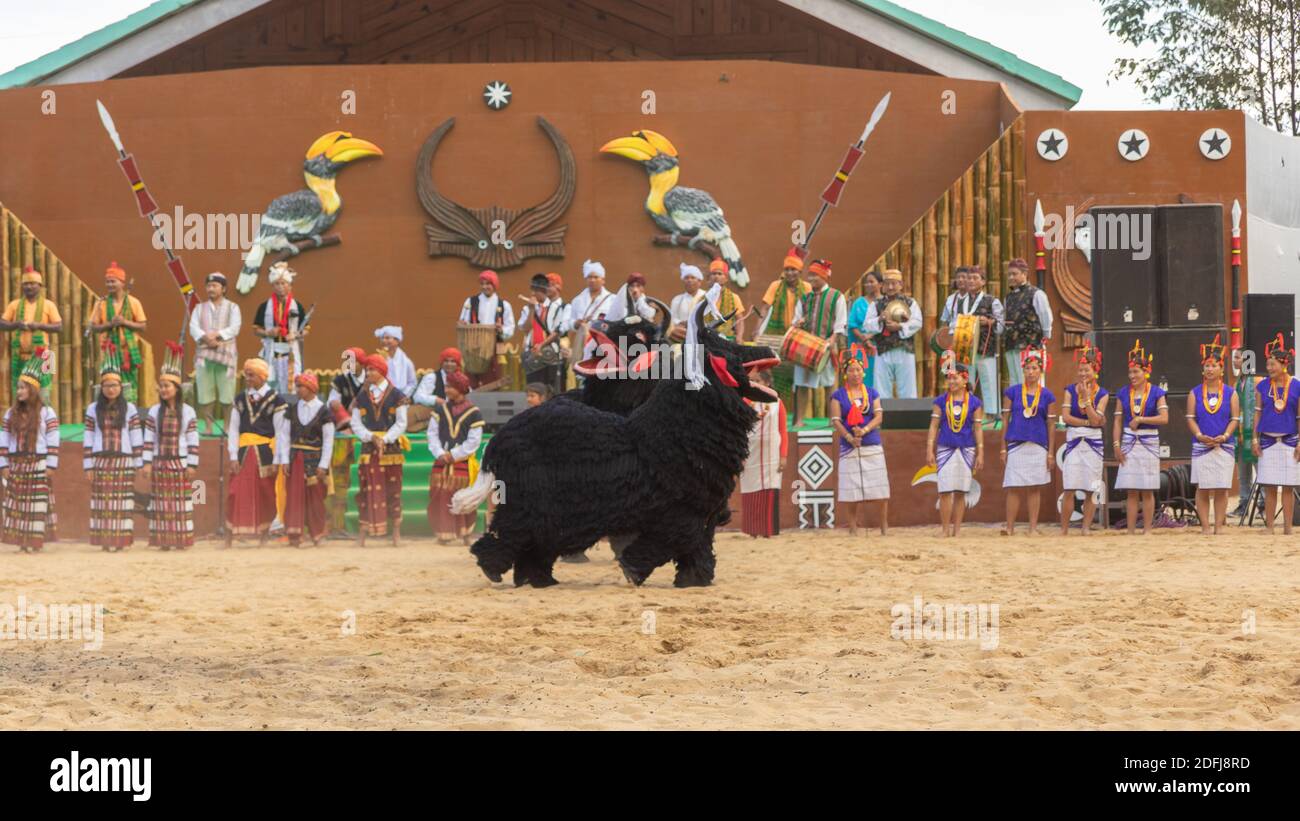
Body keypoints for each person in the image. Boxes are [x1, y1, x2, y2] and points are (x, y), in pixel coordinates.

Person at [83, 346, 145, 551]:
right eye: (107, 385)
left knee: (122, 502)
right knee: (103, 501)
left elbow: (136, 435)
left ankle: (120, 541)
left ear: (121, 386)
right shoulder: (93, 409)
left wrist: (138, 462)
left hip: (123, 459)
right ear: (101, 387)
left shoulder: (130, 408)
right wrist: (88, 465)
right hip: (101, 460)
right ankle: (104, 541)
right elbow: (89, 437)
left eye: (115, 385)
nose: (111, 389)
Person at [225, 358, 290, 547]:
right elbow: (234, 429)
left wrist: (278, 459)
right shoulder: (239, 399)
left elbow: (281, 433)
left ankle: (263, 536)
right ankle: (229, 536)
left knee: (266, 493)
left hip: (265, 453)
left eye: (251, 375)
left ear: (262, 377)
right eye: (246, 374)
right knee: (234, 492)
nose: (247, 378)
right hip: (243, 453)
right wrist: (232, 455)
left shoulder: (277, 401)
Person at [142, 342, 199, 550]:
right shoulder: (154, 411)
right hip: (160, 462)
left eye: (167, 386)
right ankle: (163, 540)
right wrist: (147, 463)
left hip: (179, 462)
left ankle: (181, 539)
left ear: (176, 388)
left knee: (180, 503)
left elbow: (192, 439)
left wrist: (192, 464)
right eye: (162, 386)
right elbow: (149, 439)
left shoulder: (189, 411)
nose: (163, 389)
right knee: (161, 503)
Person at [0, 354, 59, 551]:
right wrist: (4, 464)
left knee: (36, 504)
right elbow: (4, 439)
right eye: (18, 387)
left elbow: (52, 439)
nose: (19, 391)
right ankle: (21, 542)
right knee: (17, 503)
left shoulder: (47, 413)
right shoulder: (10, 414)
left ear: (33, 390)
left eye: (24, 387)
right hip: (17, 463)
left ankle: (35, 542)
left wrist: (51, 464)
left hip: (38, 461)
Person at [351, 353, 409, 546]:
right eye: (367, 369)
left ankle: (396, 533)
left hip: (390, 450)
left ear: (382, 371)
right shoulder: (361, 396)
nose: (368, 373)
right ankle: (363, 534)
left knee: (393, 490)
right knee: (366, 489)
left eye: (372, 369)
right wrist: (371, 437)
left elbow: (401, 423)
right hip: (369, 449)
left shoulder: (398, 395)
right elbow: (355, 424)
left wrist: (385, 439)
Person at [1113, 340, 1168, 536]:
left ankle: (1147, 529)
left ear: (1146, 372)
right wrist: (1116, 444)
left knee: (1147, 488)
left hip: (1148, 440)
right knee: (1131, 489)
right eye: (1130, 372)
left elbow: (1164, 418)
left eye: (1136, 372)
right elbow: (1118, 420)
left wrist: (1142, 419)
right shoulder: (1123, 393)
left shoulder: (1157, 392)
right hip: (1129, 441)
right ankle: (1129, 530)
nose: (1132, 376)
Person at [1000, 345, 1056, 535]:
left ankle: (1033, 528)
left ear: (1041, 371)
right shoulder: (1012, 392)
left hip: (1039, 444)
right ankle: (1009, 527)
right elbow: (1005, 421)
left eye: (1035, 368)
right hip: (1016, 443)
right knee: (1013, 487)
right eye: (1028, 368)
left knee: (1034, 487)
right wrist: (1003, 447)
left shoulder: (1047, 395)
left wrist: (1050, 452)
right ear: (1022, 370)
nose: (1031, 372)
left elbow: (1051, 425)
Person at [1187, 335, 1239, 535]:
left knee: (1222, 487)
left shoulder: (1230, 393)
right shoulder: (1195, 392)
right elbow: (1190, 418)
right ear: (1203, 369)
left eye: (1214, 365)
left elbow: (1235, 418)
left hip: (1223, 445)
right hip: (1202, 445)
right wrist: (1200, 435)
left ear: (1221, 369)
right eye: (1207, 366)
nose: (1210, 369)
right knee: (1203, 488)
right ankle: (1205, 527)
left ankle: (1218, 525)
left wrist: (1225, 436)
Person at [830, 357, 888, 535]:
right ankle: (853, 527)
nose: (855, 373)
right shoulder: (838, 395)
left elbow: (878, 416)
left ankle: (884, 526)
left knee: (880, 487)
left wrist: (864, 430)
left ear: (863, 373)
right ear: (845, 374)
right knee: (851, 489)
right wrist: (849, 437)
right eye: (851, 370)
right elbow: (836, 420)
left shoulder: (872, 393)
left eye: (858, 370)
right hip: (849, 446)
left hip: (871, 443)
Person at [427, 370, 484, 545]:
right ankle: (443, 534)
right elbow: (432, 434)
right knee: (439, 494)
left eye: (450, 386)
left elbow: (474, 441)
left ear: (460, 388)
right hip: (442, 459)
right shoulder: (440, 409)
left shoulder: (474, 412)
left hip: (462, 462)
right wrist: (440, 453)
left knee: (463, 496)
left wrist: (454, 455)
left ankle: (465, 533)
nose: (446, 389)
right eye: (446, 386)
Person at [1251, 334, 1300, 535]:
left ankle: (1288, 527)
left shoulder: (1297, 386)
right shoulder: (1262, 386)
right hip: (1268, 440)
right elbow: (1257, 412)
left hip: (1290, 440)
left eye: (1272, 365)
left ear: (1284, 364)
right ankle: (1270, 527)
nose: (1269, 368)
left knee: (1288, 487)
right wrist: (1254, 438)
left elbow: (1299, 417)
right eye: (1268, 364)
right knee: (1270, 485)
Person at [928, 359, 983, 537]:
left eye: (955, 378)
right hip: (945, 448)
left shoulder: (974, 403)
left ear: (965, 380)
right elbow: (934, 426)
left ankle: (957, 530)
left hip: (967, 449)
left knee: (961, 491)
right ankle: (945, 529)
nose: (951, 382)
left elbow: (978, 428)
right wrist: (929, 449)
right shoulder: (940, 401)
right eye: (949, 378)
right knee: (944, 490)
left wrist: (980, 453)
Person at [1058, 341, 1109, 535]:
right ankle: (1064, 529)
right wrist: (1088, 422)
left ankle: (1086, 527)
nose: (1082, 374)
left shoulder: (1102, 394)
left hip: (1093, 443)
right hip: (1075, 440)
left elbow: (1098, 419)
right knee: (1070, 487)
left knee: (1092, 487)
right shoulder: (1070, 390)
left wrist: (1087, 399)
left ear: (1095, 370)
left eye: (1086, 370)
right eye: (1080, 370)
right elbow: (1067, 417)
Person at [789, 259, 845, 423]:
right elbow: (795, 321)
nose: (811, 279)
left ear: (824, 276)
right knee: (802, 384)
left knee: (829, 385)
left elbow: (840, 323)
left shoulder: (836, 296)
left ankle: (832, 420)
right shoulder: (804, 298)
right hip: (805, 348)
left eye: (815, 275)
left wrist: (831, 341)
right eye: (810, 275)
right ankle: (799, 420)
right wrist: (797, 323)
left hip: (826, 348)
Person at [283, 373, 334, 547]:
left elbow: (328, 440)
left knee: (315, 498)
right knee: (294, 497)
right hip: (295, 459)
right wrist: (284, 460)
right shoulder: (291, 409)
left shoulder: (324, 411)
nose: (297, 390)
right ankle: (295, 535)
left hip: (315, 459)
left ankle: (317, 534)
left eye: (300, 386)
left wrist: (324, 465)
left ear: (311, 388)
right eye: (297, 386)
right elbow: (284, 436)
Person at [88, 262, 148, 404]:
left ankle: (129, 416)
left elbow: (143, 326)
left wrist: (124, 322)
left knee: (129, 388)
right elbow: (93, 327)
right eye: (107, 282)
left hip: (128, 353)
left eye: (113, 281)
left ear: (122, 283)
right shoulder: (100, 304)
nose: (109, 285)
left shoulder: (133, 302)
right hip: (109, 353)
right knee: (110, 384)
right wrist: (110, 324)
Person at [189, 272, 242, 435]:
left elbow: (235, 327)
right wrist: (206, 338)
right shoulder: (199, 308)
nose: (211, 289)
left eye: (215, 286)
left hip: (226, 355)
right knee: (205, 393)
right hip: (204, 356)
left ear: (223, 288)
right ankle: (209, 427)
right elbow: (193, 327)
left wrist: (216, 335)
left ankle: (227, 426)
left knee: (227, 393)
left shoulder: (233, 307)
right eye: (208, 286)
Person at [952, 265, 1003, 426]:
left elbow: (1001, 325)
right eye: (969, 278)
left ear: (983, 281)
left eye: (975, 278)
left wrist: (989, 322)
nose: (971, 281)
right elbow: (953, 323)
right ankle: (968, 413)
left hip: (984, 349)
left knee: (988, 380)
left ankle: (992, 414)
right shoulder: (959, 301)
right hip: (964, 349)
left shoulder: (992, 301)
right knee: (965, 381)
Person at [2, 266, 62, 402]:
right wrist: (16, 324)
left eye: (33, 283)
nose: (29, 287)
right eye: (26, 284)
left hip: (46, 355)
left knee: (45, 393)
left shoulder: (49, 305)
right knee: (20, 394)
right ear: (22, 286)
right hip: (20, 356)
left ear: (39, 285)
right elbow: (2, 324)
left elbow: (59, 327)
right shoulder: (14, 305)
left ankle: (45, 420)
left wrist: (39, 326)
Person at [740, 368, 787, 538]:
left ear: (767, 383)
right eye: (752, 381)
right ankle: (752, 530)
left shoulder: (777, 403)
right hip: (750, 452)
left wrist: (783, 456)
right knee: (751, 490)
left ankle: (768, 530)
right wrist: (740, 455)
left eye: (758, 381)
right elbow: (738, 429)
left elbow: (783, 429)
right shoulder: (744, 402)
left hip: (772, 454)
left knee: (769, 489)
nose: (754, 385)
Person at [326, 346, 367, 538]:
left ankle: (372, 527)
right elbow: (333, 403)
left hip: (370, 432)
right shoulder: (340, 380)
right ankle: (337, 526)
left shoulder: (374, 377)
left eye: (353, 361)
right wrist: (347, 420)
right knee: (341, 478)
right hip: (346, 434)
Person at [253, 261, 309, 401]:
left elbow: (306, 329)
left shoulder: (298, 306)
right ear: (272, 286)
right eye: (277, 284)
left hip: (290, 351)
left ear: (290, 286)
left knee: (290, 385)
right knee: (270, 384)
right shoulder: (264, 306)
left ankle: (289, 413)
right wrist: (267, 333)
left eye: (283, 283)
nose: (280, 287)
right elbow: (256, 329)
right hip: (271, 350)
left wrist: (295, 335)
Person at [864, 268, 922, 399]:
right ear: (882, 286)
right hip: (883, 350)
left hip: (904, 349)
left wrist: (900, 326)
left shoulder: (910, 303)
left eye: (894, 283)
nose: (890, 287)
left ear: (900, 285)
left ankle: (908, 417)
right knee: (881, 387)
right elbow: (867, 325)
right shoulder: (876, 304)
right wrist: (879, 319)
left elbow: (917, 322)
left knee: (907, 387)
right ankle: (883, 417)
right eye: (887, 283)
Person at [458, 269, 515, 389]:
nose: (485, 287)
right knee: (471, 381)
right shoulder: (470, 302)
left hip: (495, 346)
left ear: (494, 285)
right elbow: (464, 321)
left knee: (493, 379)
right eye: (482, 284)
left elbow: (510, 327)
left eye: (488, 283)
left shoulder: (504, 305)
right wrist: (463, 324)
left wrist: (501, 330)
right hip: (474, 347)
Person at [1002, 258, 1054, 388]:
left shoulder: (1036, 293)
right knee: (1015, 380)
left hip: (1030, 344)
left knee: (1033, 379)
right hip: (1012, 344)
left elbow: (1045, 316)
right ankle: (1019, 407)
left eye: (1014, 274)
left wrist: (1046, 334)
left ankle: (1037, 407)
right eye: (1009, 274)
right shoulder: (1008, 297)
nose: (1011, 277)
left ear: (1024, 274)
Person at [519, 273, 565, 395]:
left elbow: (557, 331)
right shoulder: (527, 308)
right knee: (534, 391)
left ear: (543, 291)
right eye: (532, 290)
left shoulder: (556, 308)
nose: (533, 294)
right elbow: (525, 329)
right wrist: (531, 310)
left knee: (551, 391)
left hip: (550, 354)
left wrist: (542, 345)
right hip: (532, 354)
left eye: (536, 291)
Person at [565, 260, 614, 369]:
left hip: (602, 344)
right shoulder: (577, 300)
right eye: (589, 277)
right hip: (581, 343)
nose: (592, 280)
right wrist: (576, 323)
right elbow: (569, 323)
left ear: (603, 280)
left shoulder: (612, 300)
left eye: (596, 277)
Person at [754, 247, 812, 339]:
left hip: (799, 335)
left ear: (800, 271)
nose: (789, 273)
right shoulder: (775, 286)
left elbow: (811, 311)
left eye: (793, 269)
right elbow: (765, 309)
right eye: (786, 269)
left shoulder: (807, 287)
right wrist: (757, 331)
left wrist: (803, 320)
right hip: (776, 335)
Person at [1231, 347, 1263, 516]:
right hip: (1240, 434)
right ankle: (1243, 505)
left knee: (1261, 472)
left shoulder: (1257, 380)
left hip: (1255, 433)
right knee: (1243, 474)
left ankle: (1263, 505)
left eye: (1238, 357)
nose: (1235, 361)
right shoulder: (1237, 382)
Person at [847, 270, 883, 388]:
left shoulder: (885, 302)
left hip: (879, 348)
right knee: (860, 377)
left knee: (879, 380)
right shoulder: (859, 303)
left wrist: (871, 339)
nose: (868, 285)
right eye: (866, 283)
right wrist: (865, 340)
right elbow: (852, 325)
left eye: (871, 282)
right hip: (861, 348)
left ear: (880, 284)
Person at [708, 258, 746, 342]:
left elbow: (739, 320)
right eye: (713, 274)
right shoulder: (703, 298)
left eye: (720, 274)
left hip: (727, 340)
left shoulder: (734, 297)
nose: (716, 276)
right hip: (707, 338)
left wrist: (739, 336)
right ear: (709, 277)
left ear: (726, 278)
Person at [374, 325, 417, 398]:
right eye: (382, 338)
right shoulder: (378, 359)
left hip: (401, 397)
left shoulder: (407, 362)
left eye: (387, 338)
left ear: (397, 341)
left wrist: (403, 396)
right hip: (381, 396)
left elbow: (412, 383)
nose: (384, 341)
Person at [669, 263, 707, 342]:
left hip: (702, 336)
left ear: (699, 281)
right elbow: (672, 319)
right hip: (682, 335)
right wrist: (681, 322)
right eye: (686, 278)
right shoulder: (677, 300)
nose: (689, 280)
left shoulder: (706, 297)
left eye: (693, 277)